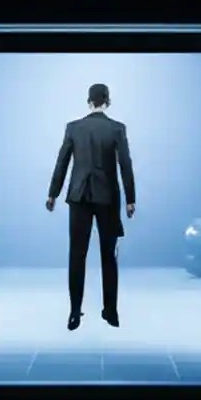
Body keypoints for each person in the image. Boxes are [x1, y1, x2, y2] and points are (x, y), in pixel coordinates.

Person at [46, 83, 136, 331]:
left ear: (89, 102)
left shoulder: (74, 128)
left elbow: (62, 162)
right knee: (109, 257)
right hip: (108, 198)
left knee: (77, 255)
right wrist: (130, 198)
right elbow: (125, 165)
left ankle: (74, 312)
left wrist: (52, 193)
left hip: (79, 196)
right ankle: (111, 312)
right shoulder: (117, 129)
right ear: (107, 101)